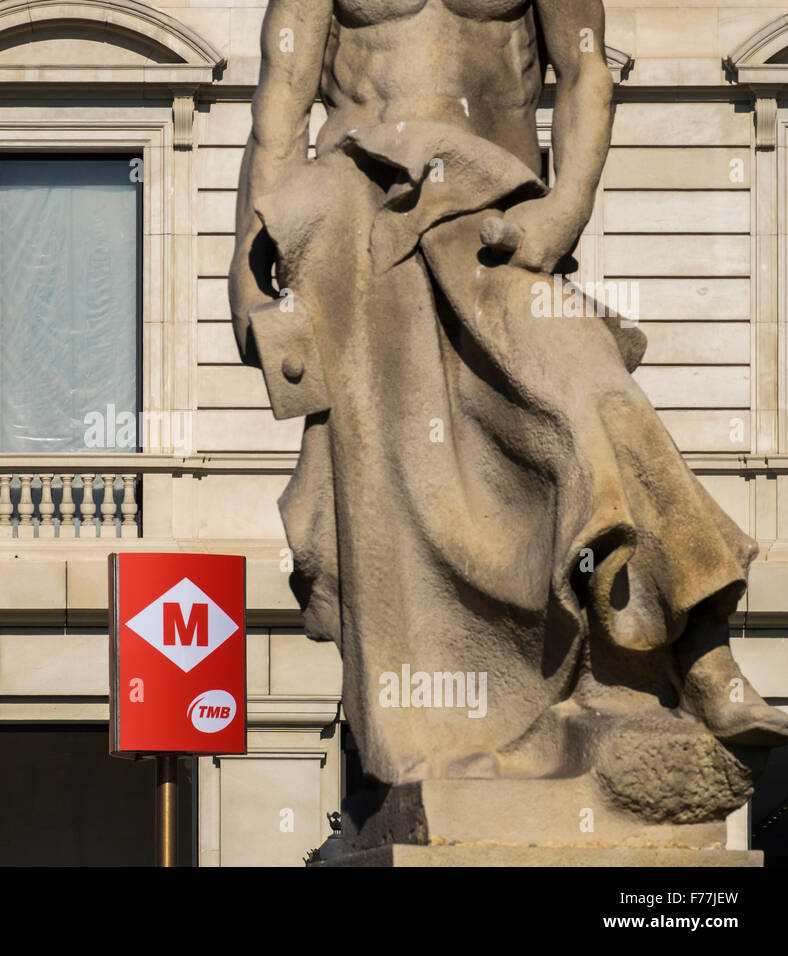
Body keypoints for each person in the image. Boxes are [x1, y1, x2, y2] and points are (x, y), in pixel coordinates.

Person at [231, 0, 788, 787]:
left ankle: (697, 642)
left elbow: (588, 69)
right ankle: (458, 736)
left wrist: (564, 213)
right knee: (407, 493)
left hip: (497, 226)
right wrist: (250, 291)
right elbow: (279, 110)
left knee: (594, 392)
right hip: (357, 229)